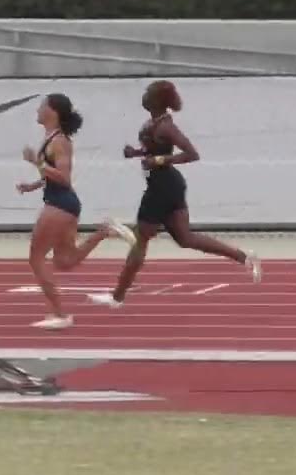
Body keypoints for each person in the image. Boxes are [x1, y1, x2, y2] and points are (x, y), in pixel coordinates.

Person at [88, 81, 261, 309]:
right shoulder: (153, 123)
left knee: (140, 239)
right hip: (168, 185)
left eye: (148, 93)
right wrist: (136, 153)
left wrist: (159, 160)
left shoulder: (167, 126)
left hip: (163, 186)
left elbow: (191, 154)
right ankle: (243, 257)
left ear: (157, 100)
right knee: (185, 238)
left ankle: (117, 297)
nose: (144, 96)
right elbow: (155, 149)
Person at [17, 93, 136, 330]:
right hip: (62, 203)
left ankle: (60, 314)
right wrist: (34, 185)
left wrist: (36, 163)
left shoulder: (59, 142)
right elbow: (51, 176)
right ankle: (104, 231)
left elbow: (64, 177)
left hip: (60, 204)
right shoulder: (50, 138)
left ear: (53, 112)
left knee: (36, 258)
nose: (37, 110)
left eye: (42, 106)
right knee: (64, 261)